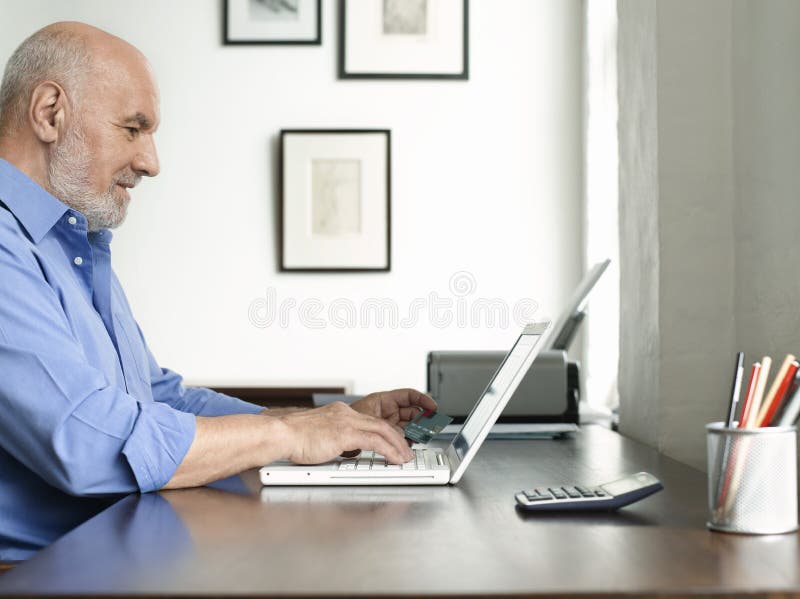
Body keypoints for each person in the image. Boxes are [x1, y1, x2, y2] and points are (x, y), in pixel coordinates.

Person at [0, 22, 435, 561]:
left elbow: (157, 398)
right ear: (49, 112)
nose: (151, 162)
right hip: (41, 576)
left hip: (118, 551)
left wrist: (323, 422)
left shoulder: (73, 244)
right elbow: (86, 442)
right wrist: (288, 439)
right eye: (133, 129)